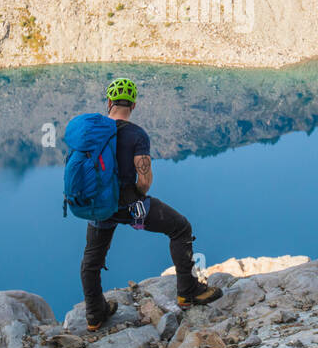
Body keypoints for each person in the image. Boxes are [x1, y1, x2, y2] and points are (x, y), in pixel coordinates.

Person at [79, 77, 222, 331]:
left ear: (109, 102)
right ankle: (187, 293)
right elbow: (144, 180)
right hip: (131, 207)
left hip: (100, 206)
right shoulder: (137, 135)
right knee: (180, 228)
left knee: (91, 261)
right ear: (133, 105)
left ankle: (94, 315)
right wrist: (134, 196)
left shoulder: (91, 133)